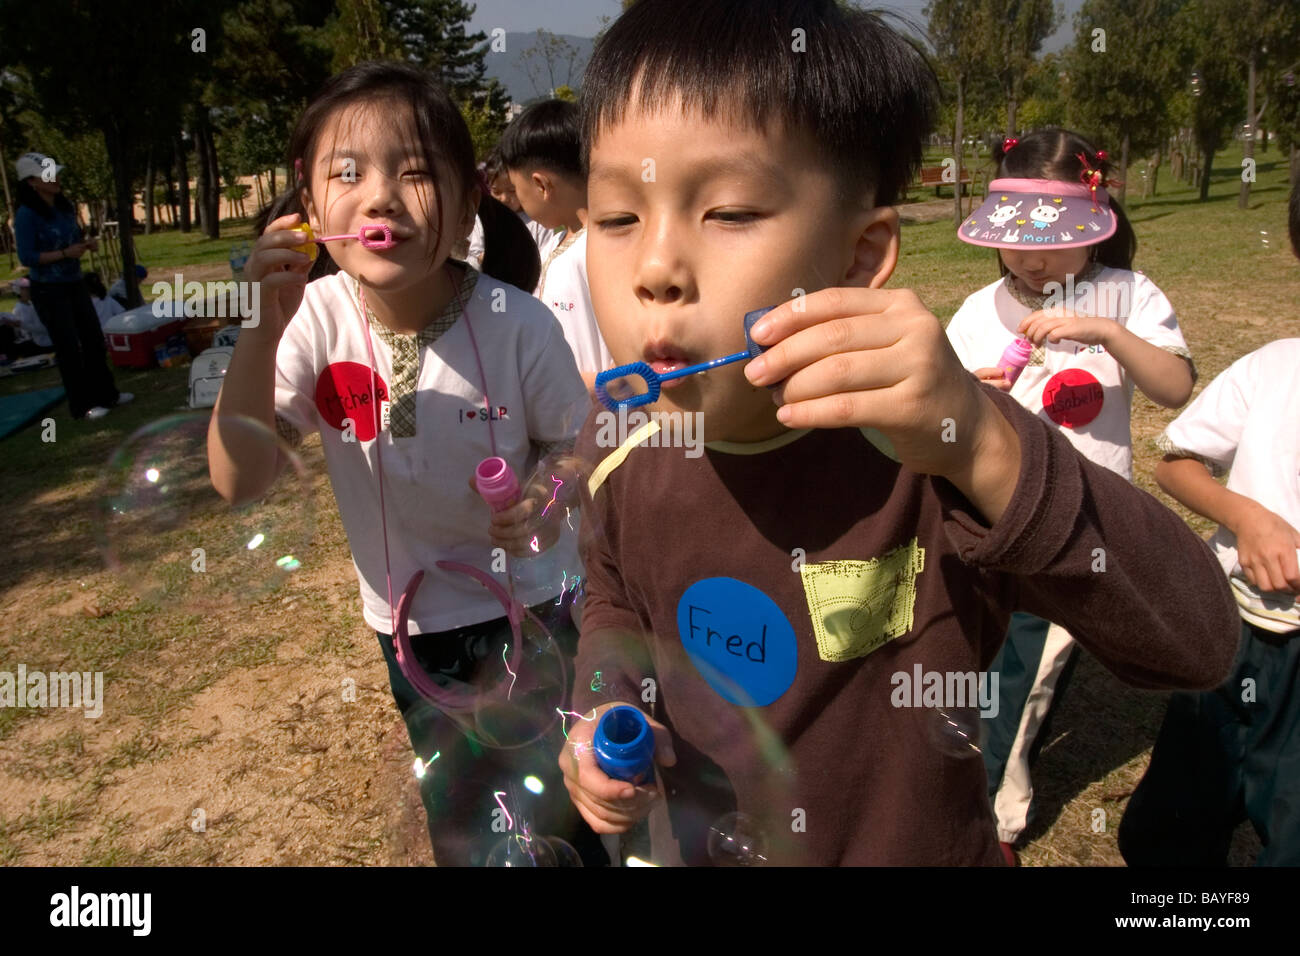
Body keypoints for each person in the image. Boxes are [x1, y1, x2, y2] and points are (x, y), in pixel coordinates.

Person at [555, 0, 1238, 866]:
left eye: (726, 211)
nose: (654, 268)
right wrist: (607, 706)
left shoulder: (928, 450)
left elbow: (1198, 644)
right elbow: (615, 594)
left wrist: (985, 450)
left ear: (857, 256)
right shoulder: (622, 435)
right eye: (617, 218)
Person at [207, 61, 599, 866]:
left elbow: (579, 440)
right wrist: (260, 325)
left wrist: (548, 492)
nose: (380, 196)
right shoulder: (312, 321)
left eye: (416, 172)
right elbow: (239, 476)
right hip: (412, 626)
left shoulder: (517, 323)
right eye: (347, 174)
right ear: (312, 207)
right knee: (463, 819)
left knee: (561, 808)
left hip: (534, 608)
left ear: (468, 205)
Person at [944, 129, 1196, 863]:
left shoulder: (1126, 295)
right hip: (990, 515)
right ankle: (964, 772)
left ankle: (996, 821)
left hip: (1081, 522)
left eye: (1052, 239)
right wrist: (968, 396)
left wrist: (1108, 333)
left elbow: (1175, 385)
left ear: (1096, 222)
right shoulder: (977, 310)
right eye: (1015, 239)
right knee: (984, 653)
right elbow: (948, 410)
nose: (1030, 255)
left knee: (1032, 666)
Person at [1117, 180, 1300, 866]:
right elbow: (1176, 463)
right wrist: (1247, 517)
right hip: (1231, 634)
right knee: (1171, 828)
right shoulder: (1276, 367)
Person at [499, 100, 613, 388]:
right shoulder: (555, 245)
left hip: (607, 415)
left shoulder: (607, 247)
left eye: (516, 190)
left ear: (541, 186)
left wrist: (595, 383)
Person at [12, 151, 132, 420]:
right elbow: (28, 257)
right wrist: (65, 254)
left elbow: (71, 240)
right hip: (48, 289)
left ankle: (107, 395)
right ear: (31, 181)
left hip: (74, 282)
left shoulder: (64, 208)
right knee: (68, 347)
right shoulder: (26, 215)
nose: (55, 179)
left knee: (92, 339)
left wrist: (86, 245)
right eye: (47, 175)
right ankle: (83, 405)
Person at [1, 277, 54, 358]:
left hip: (44, 341)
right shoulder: (20, 308)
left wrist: (20, 325)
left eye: (29, 288)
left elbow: (41, 328)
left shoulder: (32, 305)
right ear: (18, 291)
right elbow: (27, 332)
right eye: (25, 289)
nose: (29, 291)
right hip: (38, 342)